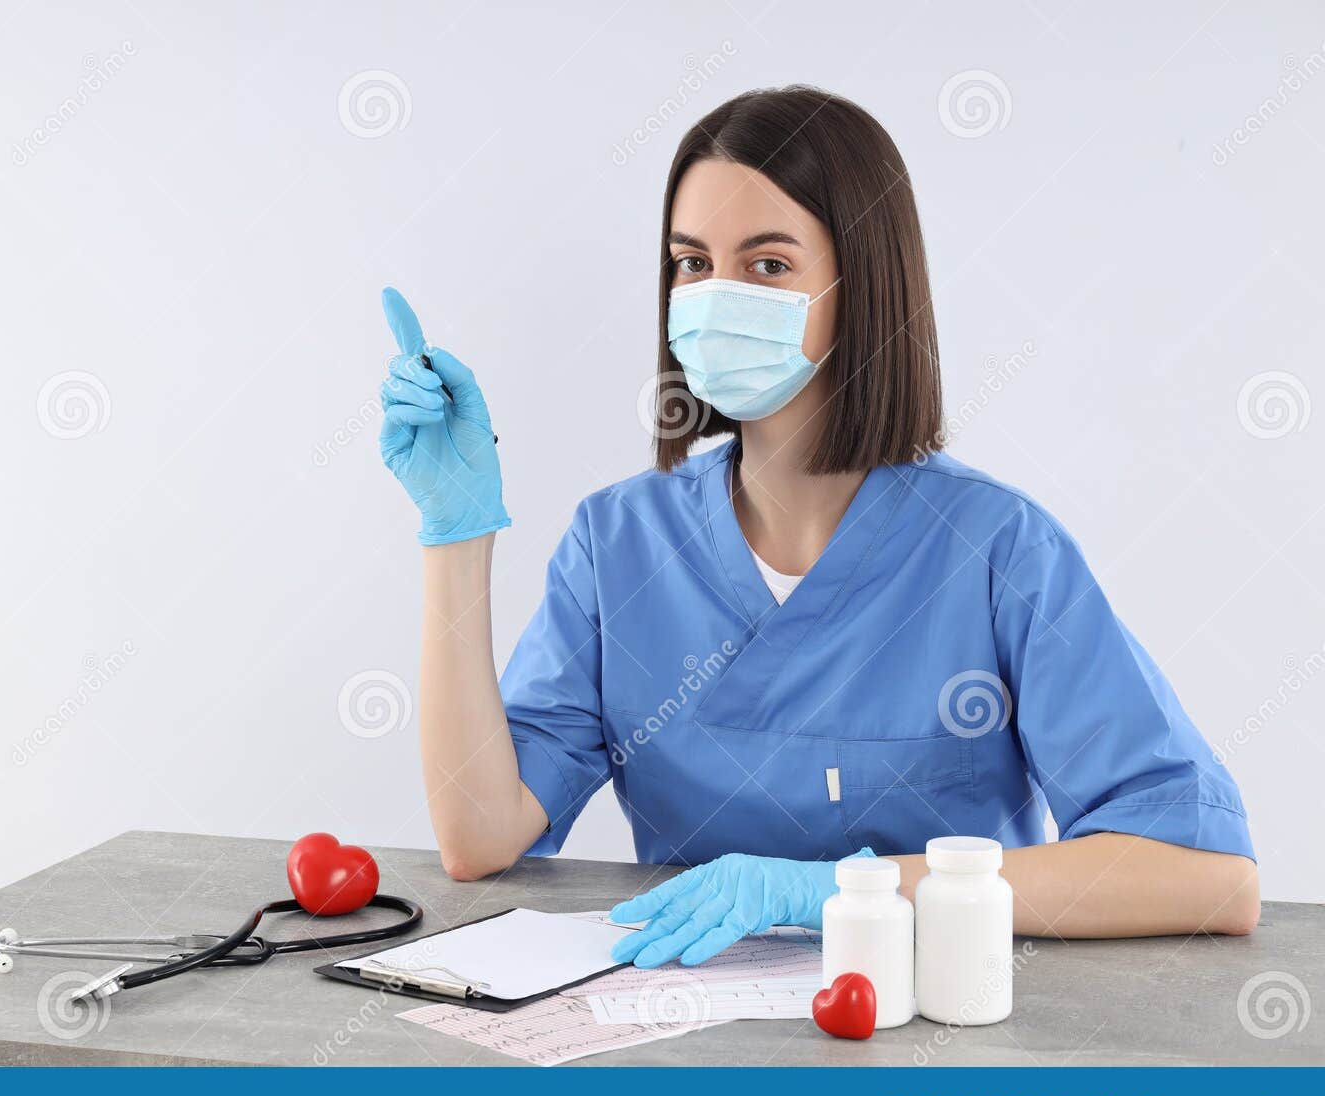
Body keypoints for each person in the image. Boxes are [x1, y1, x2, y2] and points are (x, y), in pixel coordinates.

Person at [376, 86, 1258, 968]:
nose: (717, 297)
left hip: (936, 1032)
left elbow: (1206, 876)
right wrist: (455, 532)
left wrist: (843, 891)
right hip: (690, 1034)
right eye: (692, 263)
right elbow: (481, 834)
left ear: (863, 284)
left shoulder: (997, 550)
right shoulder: (620, 545)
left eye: (767, 266)